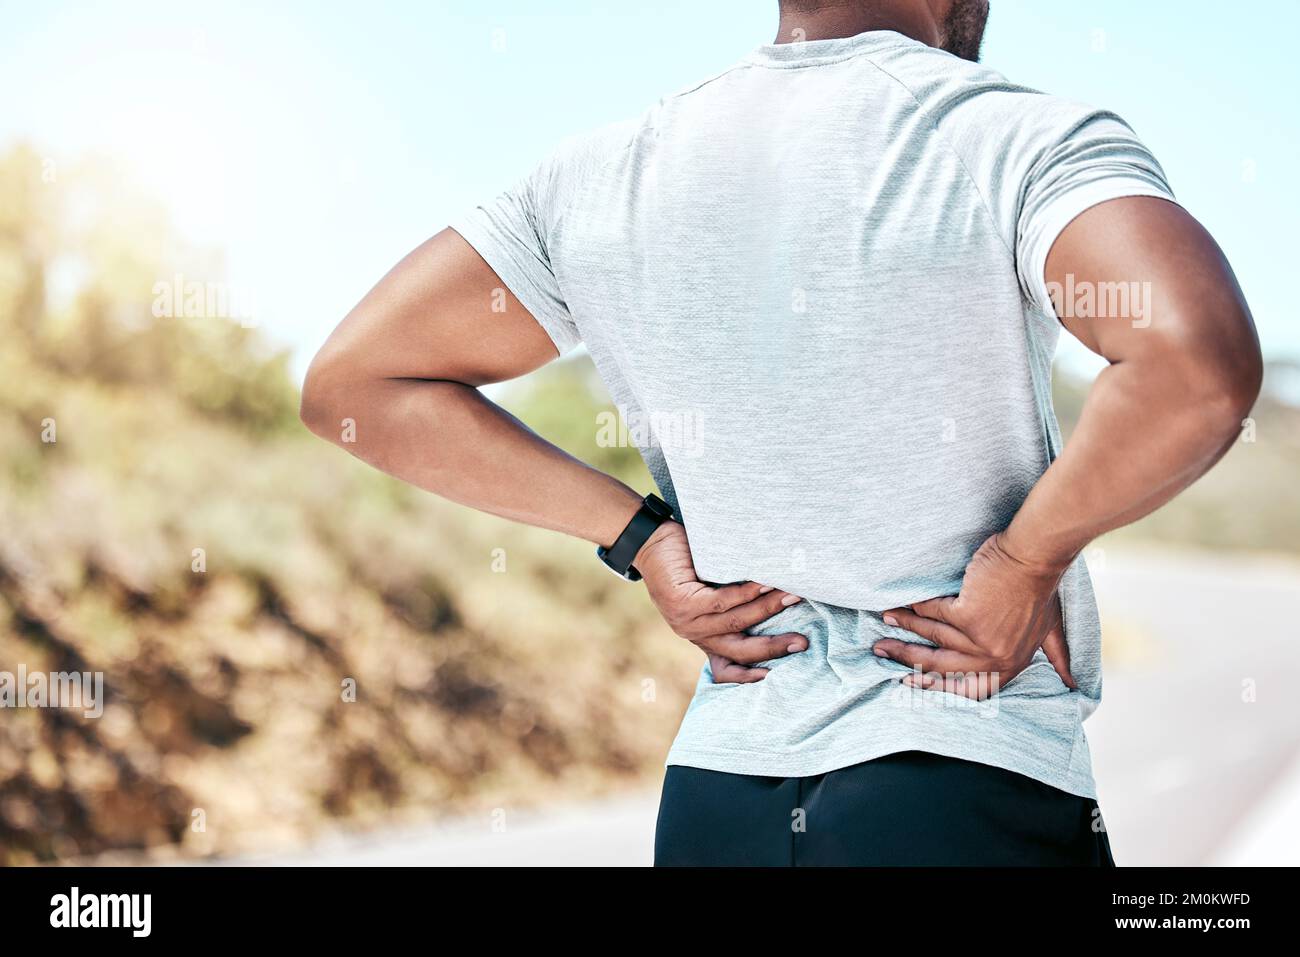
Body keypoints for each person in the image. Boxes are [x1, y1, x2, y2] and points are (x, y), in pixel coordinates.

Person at [300, 0, 1261, 866]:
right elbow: (1194, 368)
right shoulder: (1012, 135)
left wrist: (642, 539)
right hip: (962, 786)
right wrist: (1023, 560)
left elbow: (357, 384)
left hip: (719, 806)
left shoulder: (601, 172)